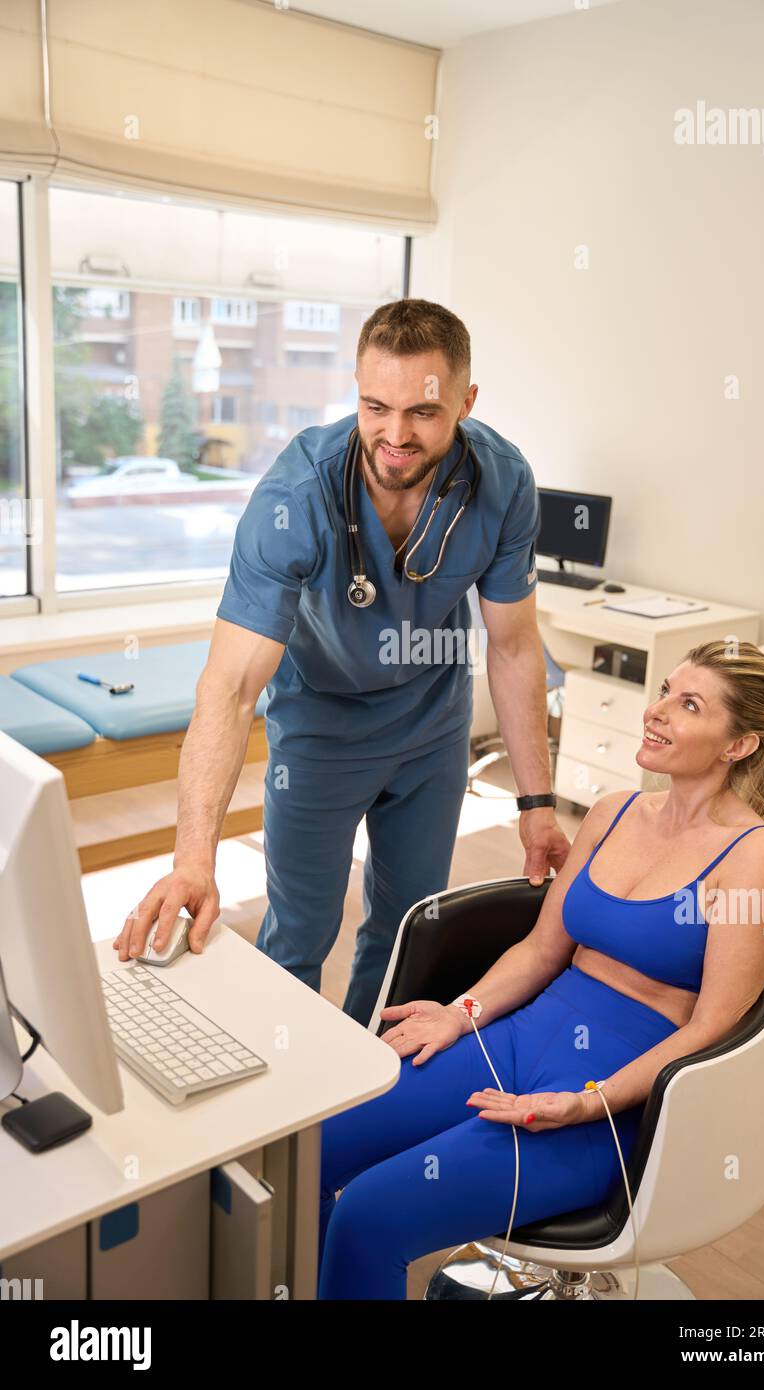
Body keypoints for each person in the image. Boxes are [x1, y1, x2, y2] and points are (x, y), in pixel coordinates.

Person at [112, 298, 570, 1028]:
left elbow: (513, 644)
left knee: (408, 930)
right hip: (322, 730)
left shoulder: (503, 482)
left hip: (432, 723)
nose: (394, 434)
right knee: (298, 931)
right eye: (374, 406)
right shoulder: (295, 500)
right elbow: (229, 690)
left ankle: (364, 1093)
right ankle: (282, 1107)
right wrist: (194, 859)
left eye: (422, 412)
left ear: (466, 400)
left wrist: (537, 805)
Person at [316, 640, 764, 1299]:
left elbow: (711, 1028)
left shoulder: (754, 857)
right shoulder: (614, 813)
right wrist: (461, 1014)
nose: (656, 711)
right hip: (518, 1037)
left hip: (614, 1095)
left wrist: (587, 1102)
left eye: (688, 705)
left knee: (369, 1213)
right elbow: (541, 951)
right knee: (308, 1150)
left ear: (737, 745)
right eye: (664, 691)